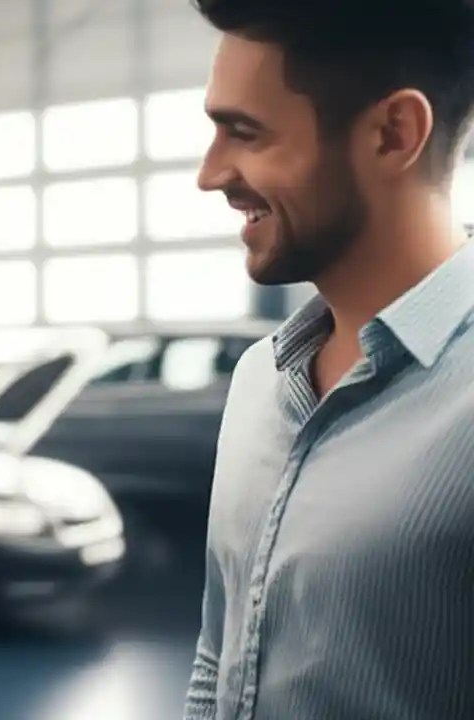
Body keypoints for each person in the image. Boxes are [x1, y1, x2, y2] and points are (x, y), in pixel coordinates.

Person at [185, 1, 474, 718]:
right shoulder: (259, 379)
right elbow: (216, 659)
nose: (211, 173)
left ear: (392, 133)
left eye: (243, 132)